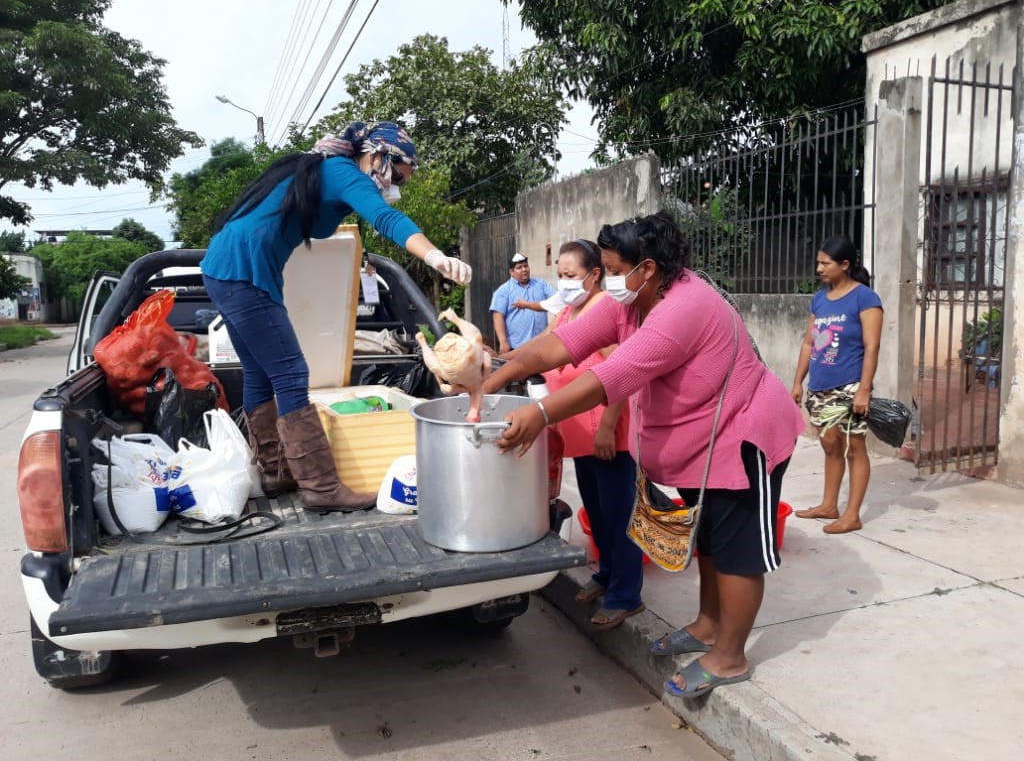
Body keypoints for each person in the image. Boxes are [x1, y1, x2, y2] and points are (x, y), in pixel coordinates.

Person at [480, 212, 803, 699]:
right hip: (704, 444)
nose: (607, 280)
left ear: (647, 267)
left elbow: (611, 378)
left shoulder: (683, 307)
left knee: (737, 553)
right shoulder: (632, 300)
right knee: (708, 540)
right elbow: (563, 343)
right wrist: (496, 373)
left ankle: (730, 656)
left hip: (743, 436)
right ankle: (708, 625)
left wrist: (541, 413)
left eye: (613, 269)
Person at [200, 121, 472, 513]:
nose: (396, 187)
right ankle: (321, 488)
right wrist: (434, 255)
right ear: (377, 156)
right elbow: (387, 219)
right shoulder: (343, 172)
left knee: (260, 373)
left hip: (227, 268)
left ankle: (276, 472)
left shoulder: (325, 170)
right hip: (244, 271)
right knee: (291, 373)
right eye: (397, 176)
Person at [542, 239, 643, 629]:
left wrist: (607, 426)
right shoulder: (569, 310)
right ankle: (607, 574)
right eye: (560, 274)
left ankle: (626, 594)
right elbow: (545, 349)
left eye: (570, 275)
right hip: (579, 434)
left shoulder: (604, 310)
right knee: (598, 512)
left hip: (605, 434)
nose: (563, 281)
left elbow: (623, 371)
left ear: (594, 274)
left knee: (619, 515)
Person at [791, 236, 883, 534]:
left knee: (854, 447)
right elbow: (809, 343)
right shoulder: (819, 299)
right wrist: (798, 382)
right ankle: (829, 505)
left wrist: (864, 389)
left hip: (850, 385)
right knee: (830, 445)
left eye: (825, 263)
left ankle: (852, 515)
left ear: (845, 264)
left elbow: (872, 347)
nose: (819, 268)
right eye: (818, 262)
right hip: (820, 384)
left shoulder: (865, 298)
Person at [490, 252, 555, 353]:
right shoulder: (504, 290)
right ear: (511, 272)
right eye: (519, 267)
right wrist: (503, 342)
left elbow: (556, 299)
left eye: (525, 266)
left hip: (541, 344)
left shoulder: (540, 284)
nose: (524, 269)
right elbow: (497, 316)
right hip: (517, 346)